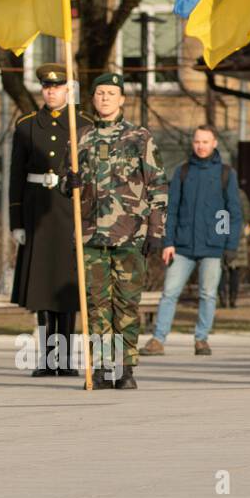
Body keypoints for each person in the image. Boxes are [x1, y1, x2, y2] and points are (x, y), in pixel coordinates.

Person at [59, 72, 168, 390]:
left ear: (122, 99)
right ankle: (103, 366)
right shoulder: (80, 138)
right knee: (95, 303)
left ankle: (126, 367)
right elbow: (67, 184)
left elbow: (157, 185)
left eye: (111, 93)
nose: (105, 98)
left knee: (127, 303)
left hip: (130, 234)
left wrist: (156, 231)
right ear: (92, 99)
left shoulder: (140, 137)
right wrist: (71, 183)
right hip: (91, 235)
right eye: (100, 93)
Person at [9, 62, 92, 377]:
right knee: (43, 289)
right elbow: (16, 176)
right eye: (47, 87)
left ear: (67, 90)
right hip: (38, 211)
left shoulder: (83, 124)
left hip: (68, 211)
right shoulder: (27, 126)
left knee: (67, 289)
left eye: (57, 87)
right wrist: (17, 221)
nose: (51, 91)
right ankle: (46, 358)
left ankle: (67, 359)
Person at [141, 124, 241, 357]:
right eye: (197, 141)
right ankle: (157, 339)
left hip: (212, 247)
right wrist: (168, 242)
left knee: (208, 294)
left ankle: (201, 339)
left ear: (214, 143)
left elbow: (229, 212)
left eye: (205, 142)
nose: (201, 146)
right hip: (183, 246)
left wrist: (228, 243)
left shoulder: (226, 173)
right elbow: (172, 210)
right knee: (170, 292)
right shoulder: (182, 172)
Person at [219, 186, 250, 309]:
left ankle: (223, 299)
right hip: (237, 233)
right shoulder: (240, 193)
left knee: (221, 269)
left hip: (220, 233)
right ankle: (232, 300)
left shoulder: (215, 191)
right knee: (235, 270)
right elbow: (247, 213)